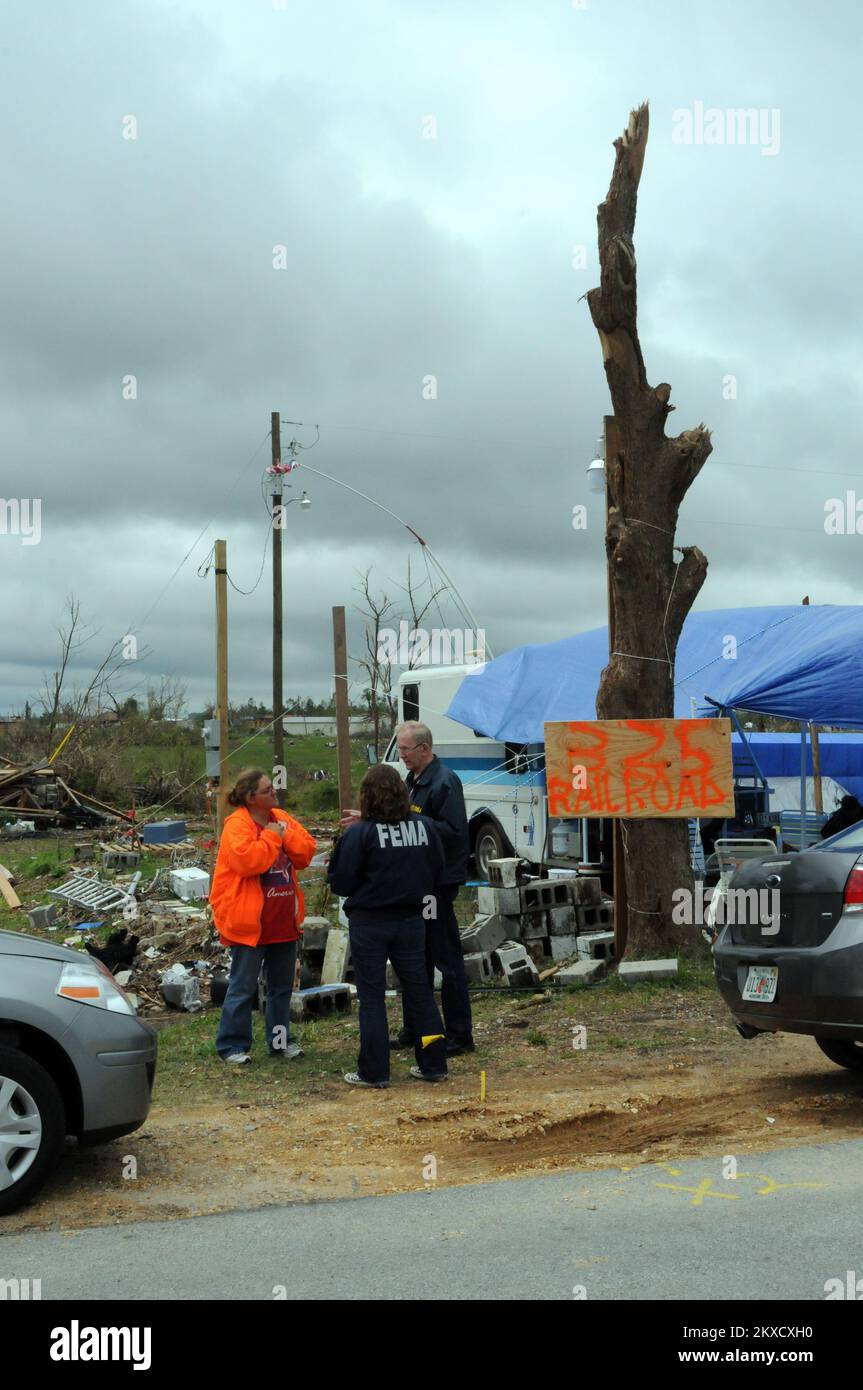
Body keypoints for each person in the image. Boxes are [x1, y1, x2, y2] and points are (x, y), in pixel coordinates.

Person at [342, 721, 473, 1056]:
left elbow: (454, 833)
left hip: (438, 886)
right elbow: (399, 821)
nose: (400, 756)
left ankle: (459, 1035)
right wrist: (372, 820)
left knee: (445, 959)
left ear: (424, 749)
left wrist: (410, 821)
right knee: (416, 963)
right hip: (417, 887)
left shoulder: (445, 783)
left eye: (404, 750)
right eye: (399, 750)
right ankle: (417, 1029)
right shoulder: (412, 781)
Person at [328, 764, 448, 1088]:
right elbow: (439, 870)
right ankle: (434, 1064)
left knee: (372, 998)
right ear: (402, 793)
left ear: (366, 796)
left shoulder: (359, 833)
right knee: (421, 993)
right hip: (412, 921)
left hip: (370, 923)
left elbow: (340, 882)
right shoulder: (425, 827)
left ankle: (374, 1071)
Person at [210, 768, 316, 1064]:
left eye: (273, 789)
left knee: (281, 989)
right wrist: (272, 838)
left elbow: (306, 853)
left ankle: (280, 1042)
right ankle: (232, 1047)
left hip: (283, 922)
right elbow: (249, 862)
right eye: (268, 790)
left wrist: (282, 834)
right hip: (250, 925)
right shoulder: (236, 826)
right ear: (250, 797)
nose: (275, 793)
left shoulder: (280, 818)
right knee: (242, 987)